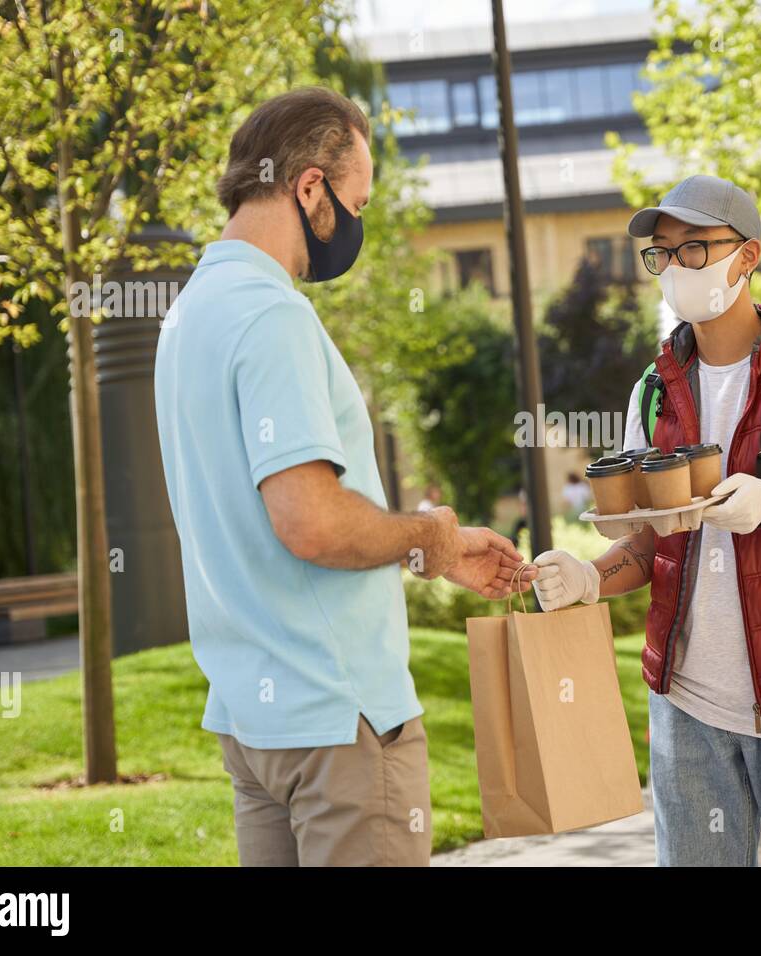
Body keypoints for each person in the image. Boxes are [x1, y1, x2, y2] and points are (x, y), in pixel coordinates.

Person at [154, 87, 533, 867]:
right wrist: (430, 532)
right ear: (309, 187)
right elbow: (312, 522)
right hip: (339, 721)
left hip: (255, 723)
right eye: (355, 205)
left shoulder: (187, 315)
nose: (354, 229)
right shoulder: (272, 317)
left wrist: (442, 552)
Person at [531, 175, 761, 867]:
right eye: (661, 254)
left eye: (695, 249)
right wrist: (587, 579)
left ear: (748, 256)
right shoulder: (656, 388)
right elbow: (652, 542)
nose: (674, 269)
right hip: (689, 707)